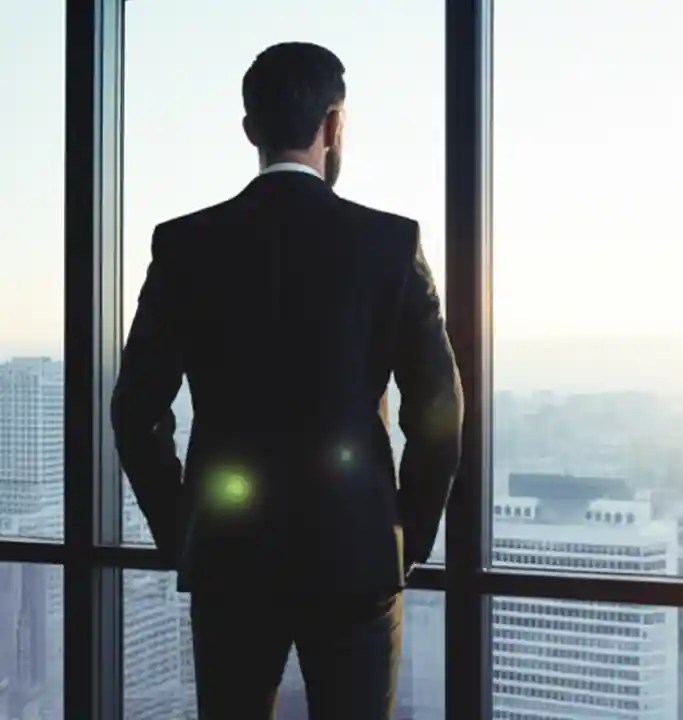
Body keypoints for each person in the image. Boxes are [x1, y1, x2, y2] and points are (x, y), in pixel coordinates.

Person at [111, 41, 462, 719]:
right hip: (356, 557)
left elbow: (135, 411)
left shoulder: (185, 245)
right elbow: (439, 409)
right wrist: (407, 533)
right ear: (334, 126)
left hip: (230, 558)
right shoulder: (388, 244)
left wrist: (182, 526)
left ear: (250, 130)